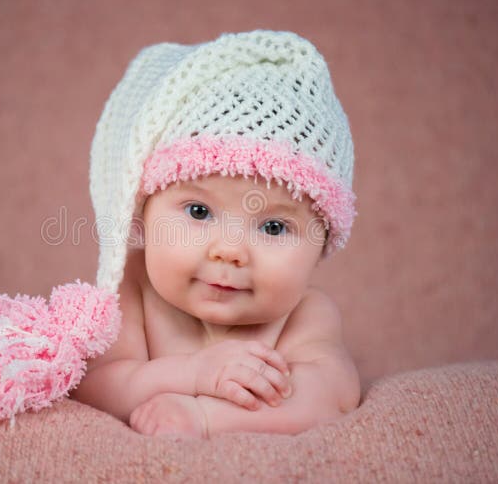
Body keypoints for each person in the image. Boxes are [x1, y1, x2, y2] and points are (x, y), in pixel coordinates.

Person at [70, 30, 360, 438]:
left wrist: (204, 417)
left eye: (273, 227)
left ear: (322, 243)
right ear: (145, 211)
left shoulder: (305, 315)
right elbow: (96, 385)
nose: (229, 251)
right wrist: (194, 374)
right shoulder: (133, 288)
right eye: (199, 211)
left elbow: (332, 398)